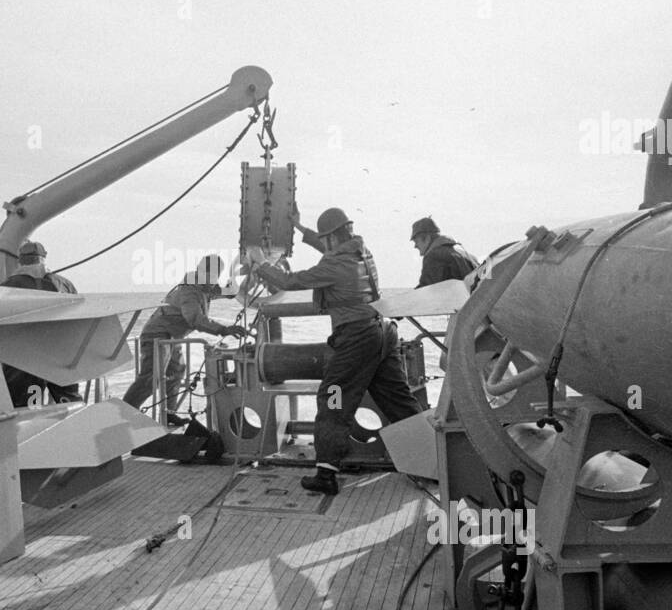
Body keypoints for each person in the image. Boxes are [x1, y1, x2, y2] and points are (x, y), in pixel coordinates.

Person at [252, 207, 421, 495]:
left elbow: (291, 282)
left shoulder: (336, 265)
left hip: (357, 339)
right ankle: (433, 457)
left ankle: (327, 473)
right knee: (398, 400)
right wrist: (300, 228)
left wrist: (259, 265)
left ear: (332, 238)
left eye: (325, 238)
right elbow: (328, 248)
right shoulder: (360, 252)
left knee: (332, 397)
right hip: (383, 334)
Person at [122, 254, 247, 417]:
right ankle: (122, 415)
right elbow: (195, 319)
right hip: (157, 335)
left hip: (171, 336)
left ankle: (169, 415)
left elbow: (225, 292)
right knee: (151, 378)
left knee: (176, 372)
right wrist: (224, 330)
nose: (216, 279)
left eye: (218, 275)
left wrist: (236, 284)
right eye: (214, 274)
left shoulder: (203, 286)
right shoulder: (190, 290)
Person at [0, 240, 83, 407]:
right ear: (43, 258)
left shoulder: (7, 286)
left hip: (23, 361)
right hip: (62, 356)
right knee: (71, 406)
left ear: (21, 260)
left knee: (28, 411)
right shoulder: (65, 284)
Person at [410, 217, 480, 287]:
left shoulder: (434, 256)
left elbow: (425, 290)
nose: (415, 246)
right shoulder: (468, 256)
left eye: (416, 241)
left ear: (427, 239)